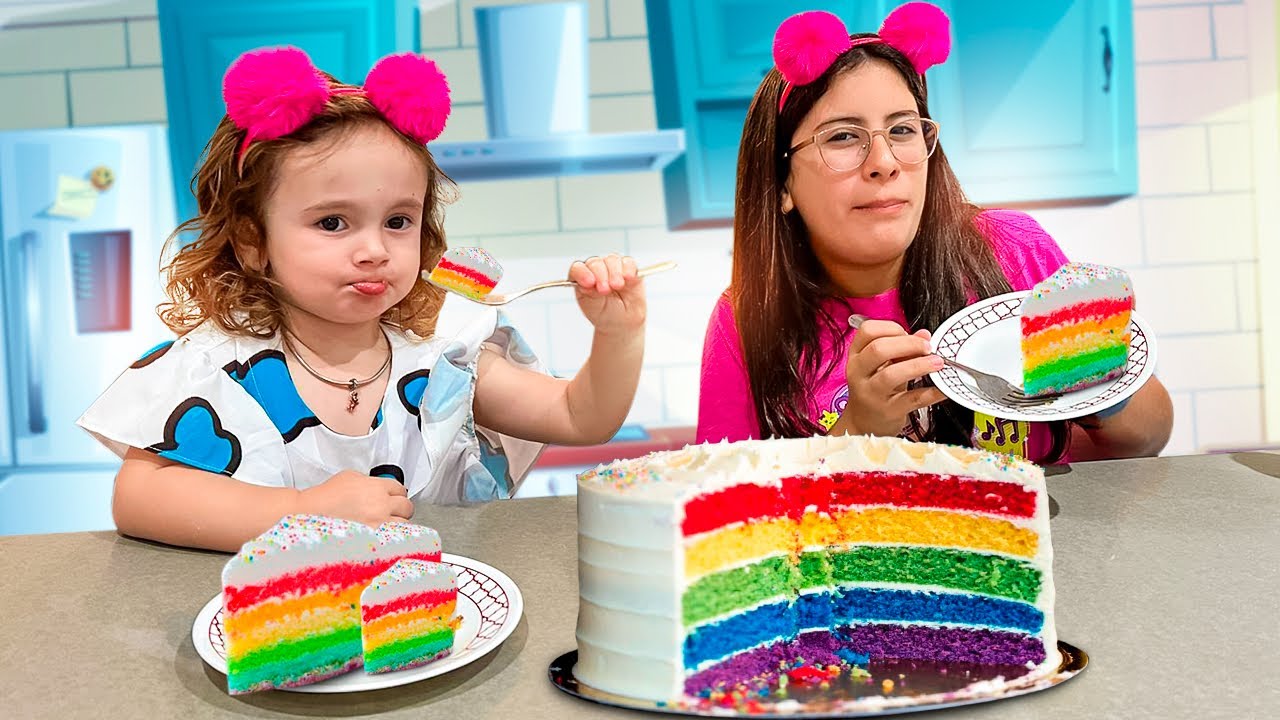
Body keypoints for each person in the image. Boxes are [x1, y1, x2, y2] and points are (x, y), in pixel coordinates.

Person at [77, 47, 647, 552]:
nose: (374, 249)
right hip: (284, 638)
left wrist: (617, 334)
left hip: (434, 627)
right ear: (254, 243)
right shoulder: (218, 368)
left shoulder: (442, 355)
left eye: (398, 220)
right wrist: (300, 514)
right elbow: (139, 497)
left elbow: (579, 415)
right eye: (332, 222)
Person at [696, 3, 1172, 462]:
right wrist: (856, 432)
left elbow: (1146, 440)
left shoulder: (1012, 252)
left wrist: (1099, 381)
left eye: (902, 130)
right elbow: (727, 505)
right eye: (843, 137)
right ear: (783, 185)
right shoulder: (746, 320)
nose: (883, 163)